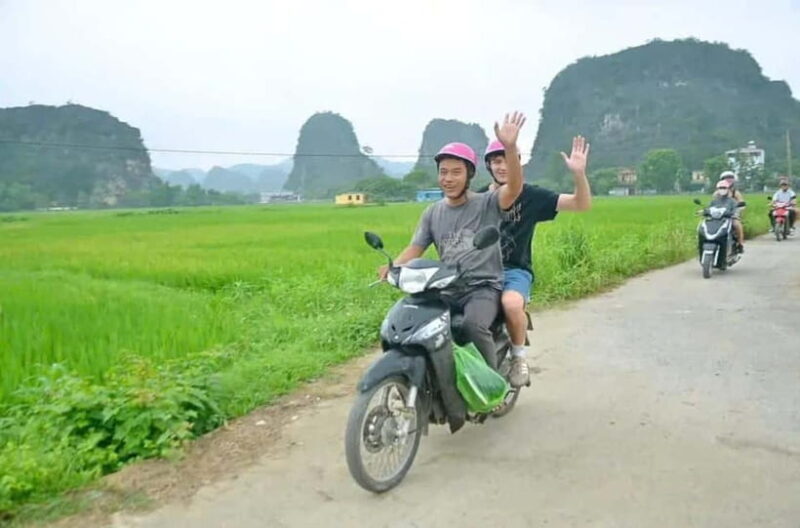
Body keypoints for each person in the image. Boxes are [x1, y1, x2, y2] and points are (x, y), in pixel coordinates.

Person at [378, 112, 526, 370]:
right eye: (443, 172)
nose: (448, 178)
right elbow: (416, 247)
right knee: (417, 322)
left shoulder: (487, 203)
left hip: (482, 287)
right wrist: (393, 267)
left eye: (456, 172)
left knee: (472, 325)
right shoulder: (433, 212)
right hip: (446, 287)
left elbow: (513, 187)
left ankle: (491, 387)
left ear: (469, 175)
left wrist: (510, 147)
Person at [481, 136, 591, 387]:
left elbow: (580, 204)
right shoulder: (478, 199)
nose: (502, 166)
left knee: (510, 304)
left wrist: (579, 175)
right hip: (480, 271)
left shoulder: (531, 196)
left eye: (507, 160)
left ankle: (519, 358)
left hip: (514, 271)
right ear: (488, 166)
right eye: (496, 161)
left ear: (517, 163)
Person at [719, 171, 745, 252]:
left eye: (730, 178)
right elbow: (713, 203)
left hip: (732, 214)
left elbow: (742, 203)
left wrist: (739, 209)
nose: (729, 180)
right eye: (726, 178)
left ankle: (740, 244)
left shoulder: (735, 193)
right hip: (720, 214)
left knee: (736, 224)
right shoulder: (717, 193)